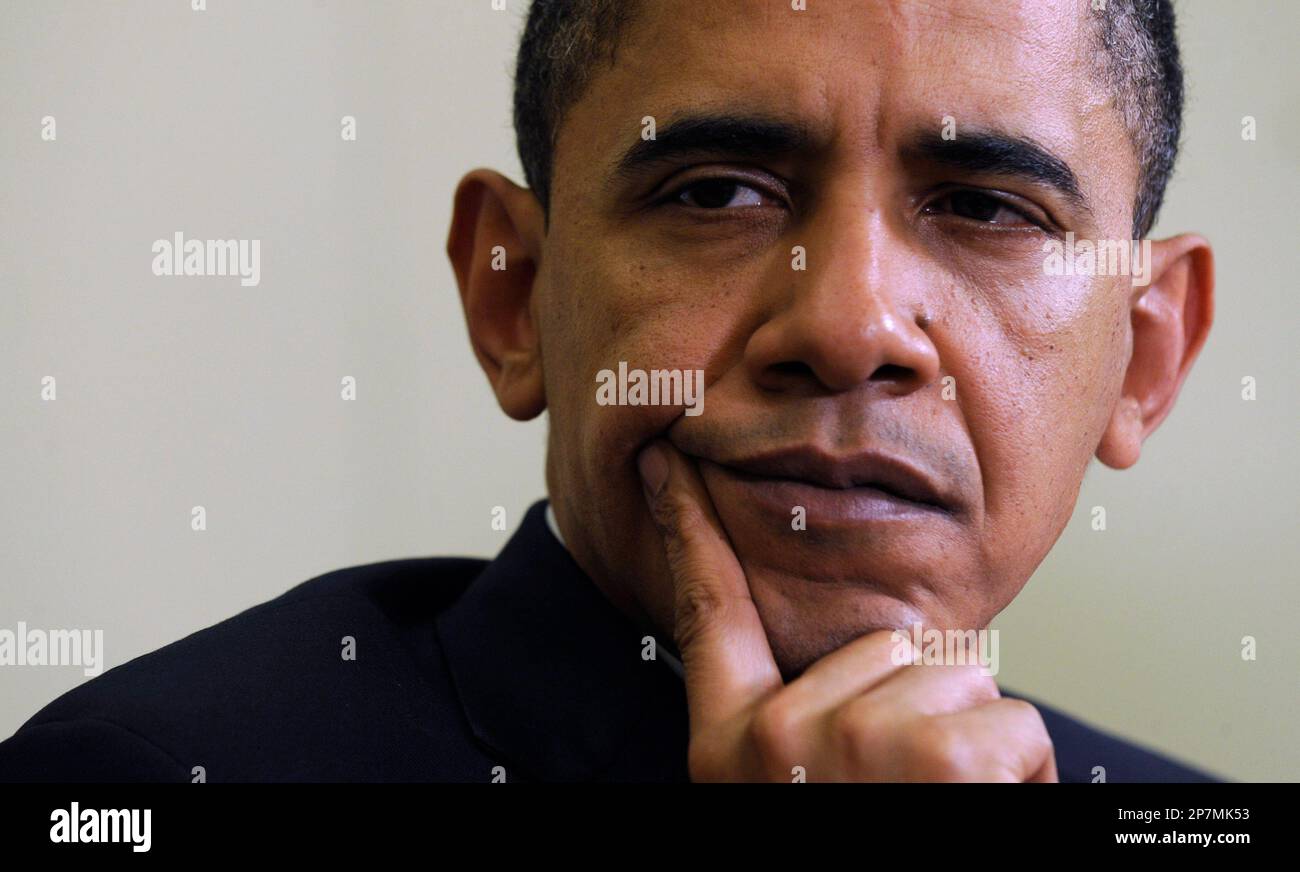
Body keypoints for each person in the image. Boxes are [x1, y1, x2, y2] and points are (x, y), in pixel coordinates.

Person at [0, 0, 1217, 782]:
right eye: (716, 193)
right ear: (513, 295)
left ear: (1143, 359)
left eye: (987, 208)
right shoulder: (141, 781)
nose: (847, 328)